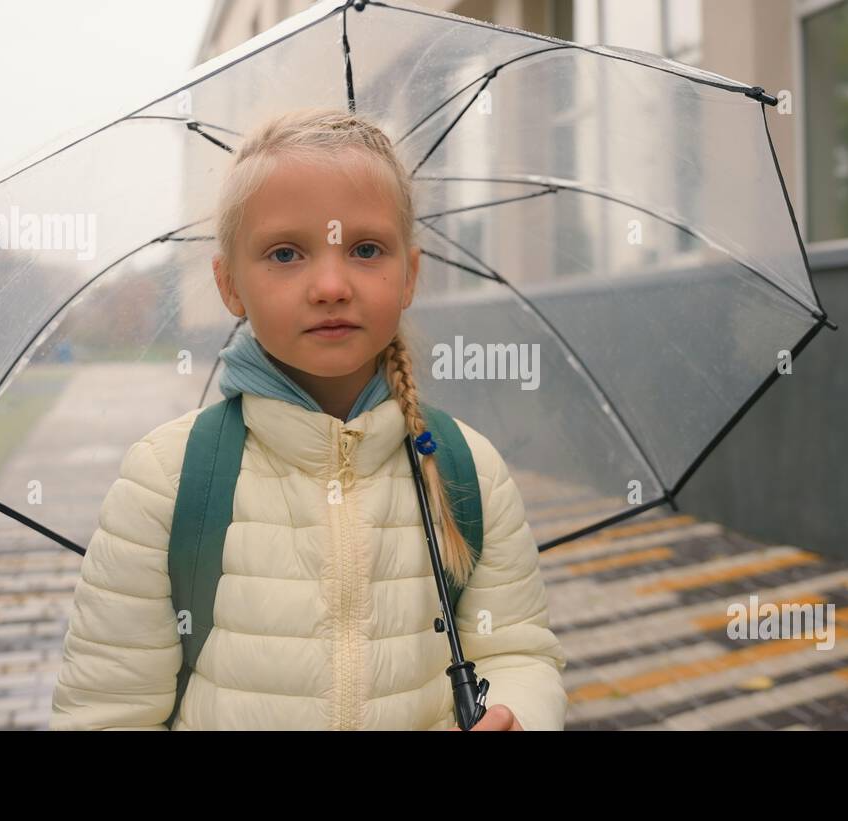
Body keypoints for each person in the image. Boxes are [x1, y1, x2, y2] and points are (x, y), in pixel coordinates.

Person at [49, 107, 568, 730]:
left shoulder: (467, 470)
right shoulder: (166, 479)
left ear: (410, 275)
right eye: (286, 253)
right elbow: (107, 710)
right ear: (229, 284)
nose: (329, 284)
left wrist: (516, 713)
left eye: (366, 248)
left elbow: (516, 650)